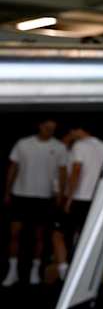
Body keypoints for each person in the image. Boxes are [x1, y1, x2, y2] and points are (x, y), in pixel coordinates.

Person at [4, 118, 68, 287]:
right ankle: (12, 271)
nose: (50, 131)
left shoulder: (60, 147)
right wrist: (7, 191)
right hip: (20, 194)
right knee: (15, 233)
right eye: (47, 127)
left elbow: (62, 174)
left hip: (44, 197)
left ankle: (34, 272)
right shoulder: (23, 144)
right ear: (39, 126)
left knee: (40, 236)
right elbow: (13, 168)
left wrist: (60, 196)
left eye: (53, 128)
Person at [52, 128, 103, 281]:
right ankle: (85, 274)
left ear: (78, 130)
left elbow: (77, 170)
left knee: (58, 235)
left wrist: (69, 198)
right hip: (96, 198)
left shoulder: (80, 146)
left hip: (78, 198)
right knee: (87, 236)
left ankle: (65, 274)